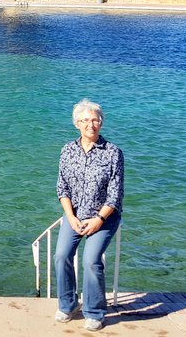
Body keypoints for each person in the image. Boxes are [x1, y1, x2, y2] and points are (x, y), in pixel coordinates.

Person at [54, 98, 124, 332]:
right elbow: (62, 188)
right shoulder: (67, 150)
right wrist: (70, 217)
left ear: (101, 123)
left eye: (94, 120)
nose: (90, 125)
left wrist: (99, 220)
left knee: (91, 260)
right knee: (61, 255)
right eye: (85, 120)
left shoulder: (113, 153)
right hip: (74, 215)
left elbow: (115, 195)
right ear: (77, 124)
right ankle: (68, 304)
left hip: (103, 218)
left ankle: (94, 312)